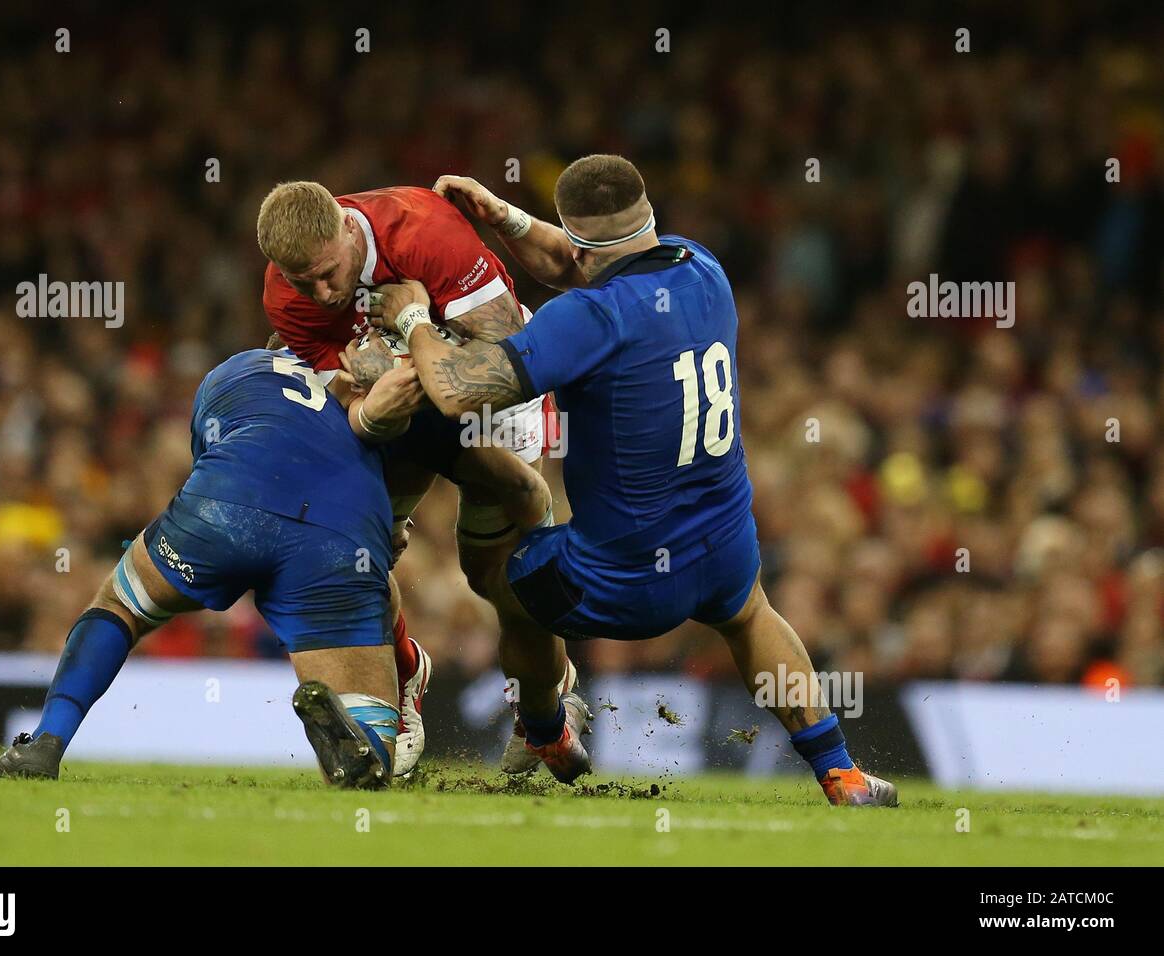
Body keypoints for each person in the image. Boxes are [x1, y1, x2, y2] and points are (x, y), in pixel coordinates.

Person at [369, 155, 897, 806]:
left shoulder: (588, 319)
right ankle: (840, 772)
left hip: (625, 576)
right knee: (753, 615)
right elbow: (580, 259)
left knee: (503, 573)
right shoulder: (701, 268)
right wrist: (503, 217)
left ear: (581, 239)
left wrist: (413, 318)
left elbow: (455, 389)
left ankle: (546, 729)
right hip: (723, 542)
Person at [0, 345, 425, 788]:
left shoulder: (234, 369)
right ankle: (361, 740)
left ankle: (45, 740)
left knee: (123, 605)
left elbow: (210, 461)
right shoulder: (355, 386)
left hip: (230, 505)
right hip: (340, 532)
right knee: (372, 757)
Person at [258, 181, 577, 775]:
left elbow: (508, 355)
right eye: (305, 281)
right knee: (356, 548)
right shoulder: (288, 294)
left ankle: (546, 701)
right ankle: (401, 688)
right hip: (409, 410)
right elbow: (357, 404)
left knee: (496, 576)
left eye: (329, 273)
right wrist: (377, 387)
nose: (323, 294)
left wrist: (408, 330)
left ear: (348, 232)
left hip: (494, 407)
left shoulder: (423, 233)